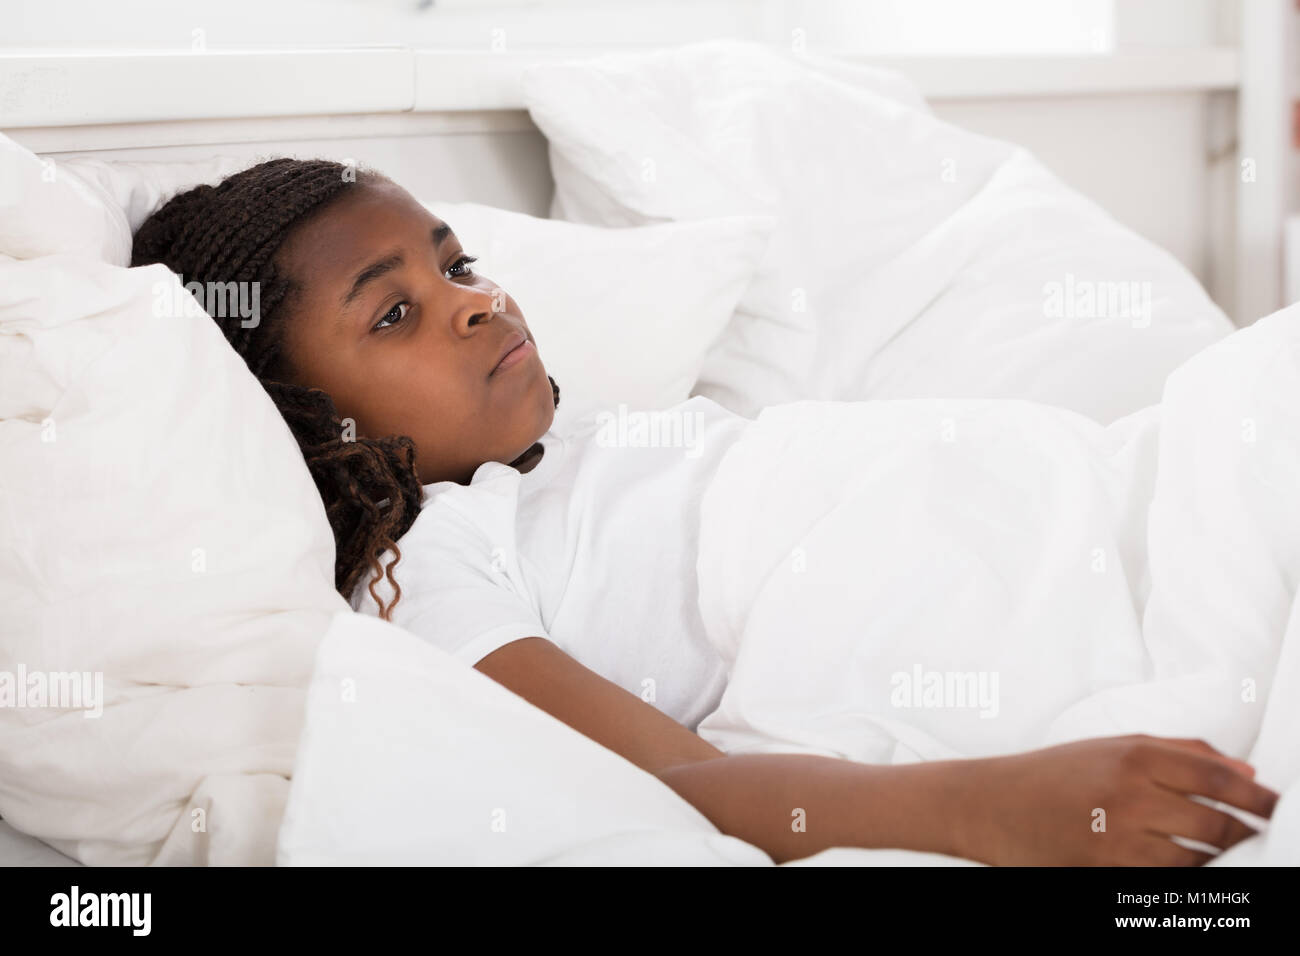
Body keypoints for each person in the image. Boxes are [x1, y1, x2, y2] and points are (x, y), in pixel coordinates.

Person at [130, 157, 1279, 866]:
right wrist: (986, 812)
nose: (475, 305)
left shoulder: (601, 435)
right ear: (307, 418)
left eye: (458, 263)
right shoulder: (429, 566)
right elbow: (676, 783)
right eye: (393, 316)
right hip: (1024, 607)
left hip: (1111, 486)